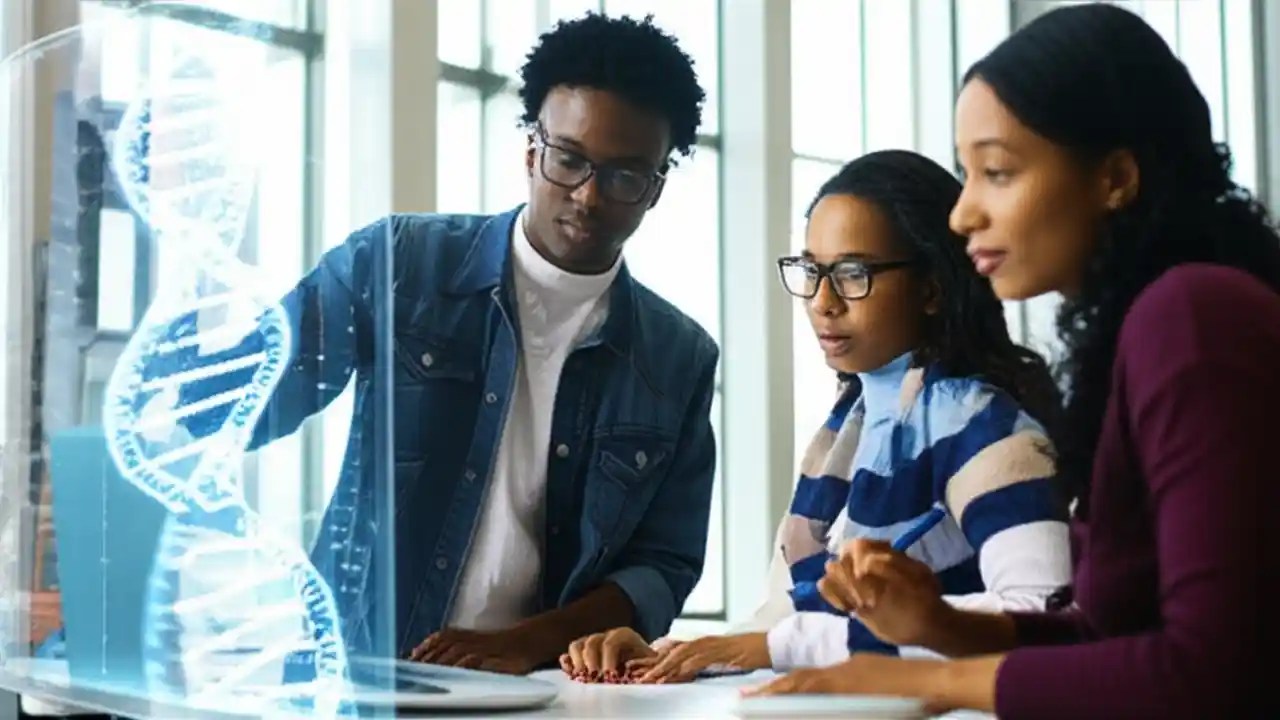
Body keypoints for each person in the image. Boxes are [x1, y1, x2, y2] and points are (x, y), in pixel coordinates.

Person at [744, 5, 1278, 718]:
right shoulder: (1149, 324)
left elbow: (1212, 671)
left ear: (1115, 176)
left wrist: (925, 682)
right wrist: (941, 626)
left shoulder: (1190, 316)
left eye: (997, 171)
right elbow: (1109, 635)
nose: (962, 214)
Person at [170, 12, 718, 674]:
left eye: (624, 176)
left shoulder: (677, 358)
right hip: (360, 676)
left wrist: (529, 642)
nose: (588, 194)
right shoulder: (402, 265)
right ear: (531, 151)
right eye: (568, 159)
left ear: (655, 189)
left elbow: (663, 565)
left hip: (543, 691)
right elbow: (249, 395)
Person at [559, 150, 1070, 683]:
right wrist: (665, 650)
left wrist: (777, 646)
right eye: (812, 270)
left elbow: (1042, 614)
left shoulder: (985, 429)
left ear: (932, 288)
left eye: (853, 273)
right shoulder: (843, 434)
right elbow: (783, 623)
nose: (823, 301)